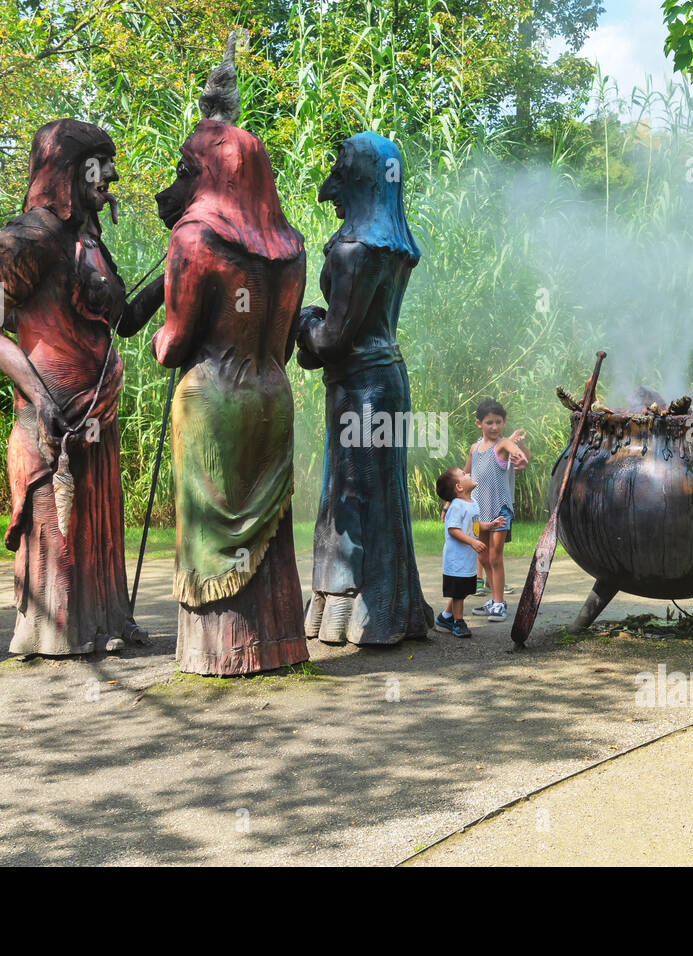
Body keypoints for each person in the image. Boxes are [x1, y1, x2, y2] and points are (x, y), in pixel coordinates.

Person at [0, 118, 165, 657]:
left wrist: (173, 273)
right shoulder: (25, 238)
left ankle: (103, 619)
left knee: (98, 523)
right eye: (102, 163)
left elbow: (123, 320)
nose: (111, 175)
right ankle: (57, 630)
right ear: (72, 169)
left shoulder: (90, 239)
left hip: (98, 412)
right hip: (52, 416)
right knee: (59, 524)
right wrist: (39, 396)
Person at [149, 45, 309, 675]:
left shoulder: (193, 239)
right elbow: (288, 338)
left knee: (214, 542)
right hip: (272, 398)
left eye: (188, 168)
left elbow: (177, 342)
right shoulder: (292, 248)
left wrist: (157, 336)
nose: (180, 180)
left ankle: (219, 654)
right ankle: (277, 644)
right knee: (271, 547)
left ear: (208, 171)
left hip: (213, 402)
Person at [296, 132, 430, 646]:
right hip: (385, 379)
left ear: (358, 178)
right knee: (375, 492)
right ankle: (386, 609)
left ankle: (357, 612)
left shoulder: (355, 250)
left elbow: (333, 338)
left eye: (339, 172)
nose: (328, 188)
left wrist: (302, 323)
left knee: (350, 494)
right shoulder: (390, 247)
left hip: (359, 385)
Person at [466, 398, 529, 621]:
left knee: (495, 557)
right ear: (479, 423)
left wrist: (520, 455)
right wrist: (450, 501)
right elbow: (466, 476)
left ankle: (500, 604)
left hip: (499, 510)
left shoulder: (502, 445)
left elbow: (513, 448)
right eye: (489, 423)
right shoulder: (474, 448)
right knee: (482, 557)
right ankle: (493, 599)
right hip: (478, 512)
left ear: (504, 422)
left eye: (498, 422)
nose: (494, 427)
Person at [435, 468, 503, 638]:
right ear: (459, 487)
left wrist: (489, 525)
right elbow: (453, 530)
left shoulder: (472, 502)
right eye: (464, 475)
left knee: (463, 590)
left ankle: (445, 617)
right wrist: (473, 541)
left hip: (467, 559)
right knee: (458, 593)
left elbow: (474, 524)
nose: (468, 474)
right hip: (456, 560)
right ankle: (458, 622)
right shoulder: (457, 506)